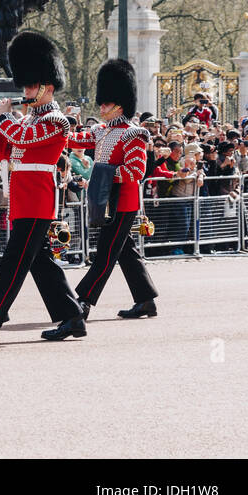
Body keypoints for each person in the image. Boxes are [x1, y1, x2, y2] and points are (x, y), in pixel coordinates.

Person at [0, 31, 85, 343]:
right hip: (22, 199)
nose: (26, 90)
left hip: (37, 200)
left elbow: (24, 140)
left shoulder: (57, 121)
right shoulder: (26, 120)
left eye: (32, 85)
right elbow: (7, 152)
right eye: (27, 85)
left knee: (12, 264)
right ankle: (72, 318)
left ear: (48, 86)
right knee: (42, 264)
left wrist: (3, 120)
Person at [67, 59, 159, 320]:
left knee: (105, 253)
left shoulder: (134, 134)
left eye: (106, 103)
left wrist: (103, 175)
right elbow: (74, 140)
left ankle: (83, 301)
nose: (101, 107)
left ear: (120, 105)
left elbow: (135, 172)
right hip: (107, 199)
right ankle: (145, 300)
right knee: (125, 252)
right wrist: (66, 123)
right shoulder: (101, 130)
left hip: (123, 202)